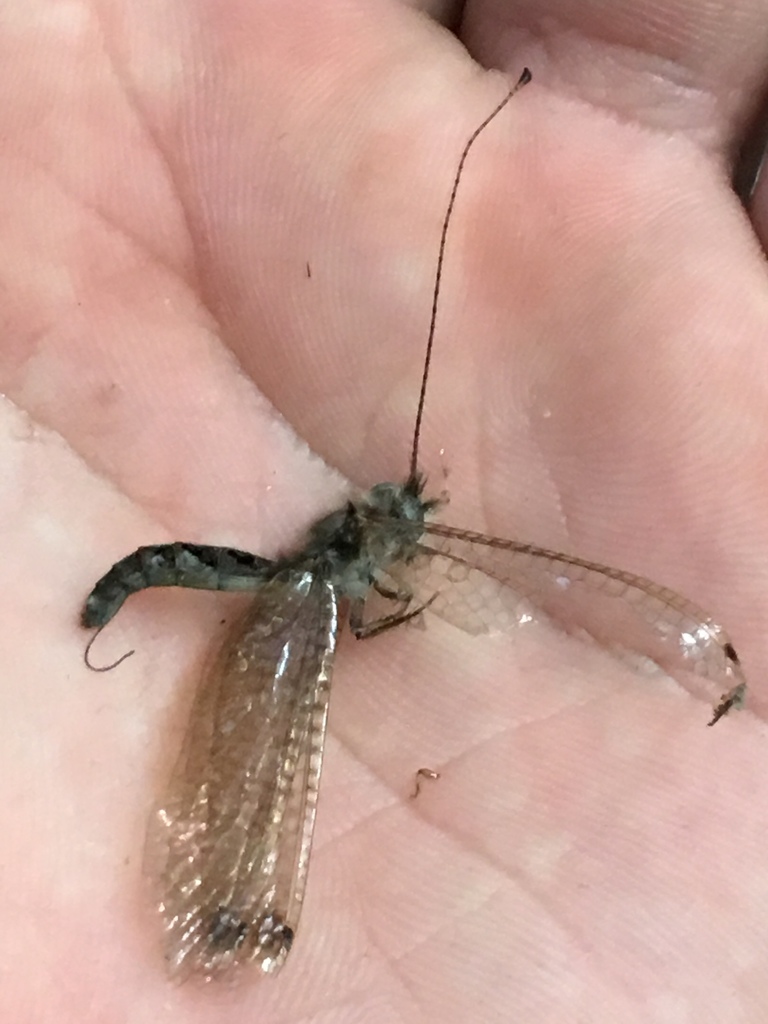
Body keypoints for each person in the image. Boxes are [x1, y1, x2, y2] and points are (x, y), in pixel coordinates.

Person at [3, 1, 766, 1020]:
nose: (415, 520)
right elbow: (362, 612)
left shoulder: (343, 570)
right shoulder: (325, 598)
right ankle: (224, 926)